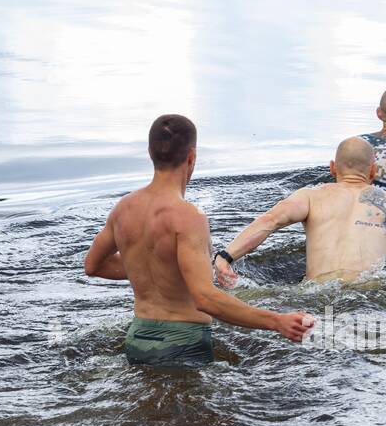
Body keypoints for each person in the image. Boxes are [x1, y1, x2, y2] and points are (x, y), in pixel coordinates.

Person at [83, 114, 313, 366]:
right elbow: (205, 298)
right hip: (183, 343)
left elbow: (93, 266)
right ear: (191, 157)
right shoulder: (188, 217)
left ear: (150, 153)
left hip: (137, 339)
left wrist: (151, 268)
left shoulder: (123, 209)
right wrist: (276, 321)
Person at [213, 136, 386, 286]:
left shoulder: (310, 196)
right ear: (372, 171)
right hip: (369, 291)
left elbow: (269, 220)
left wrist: (225, 257)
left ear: (332, 168)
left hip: (316, 292)